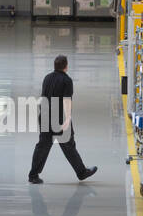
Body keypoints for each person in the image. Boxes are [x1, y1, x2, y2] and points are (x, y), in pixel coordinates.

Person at [28, 55, 98, 185]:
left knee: (42, 146)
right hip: (58, 117)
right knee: (68, 146)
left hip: (44, 115)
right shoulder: (67, 80)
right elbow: (66, 100)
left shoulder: (47, 77)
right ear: (66, 66)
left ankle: (33, 175)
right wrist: (68, 118)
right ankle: (82, 172)